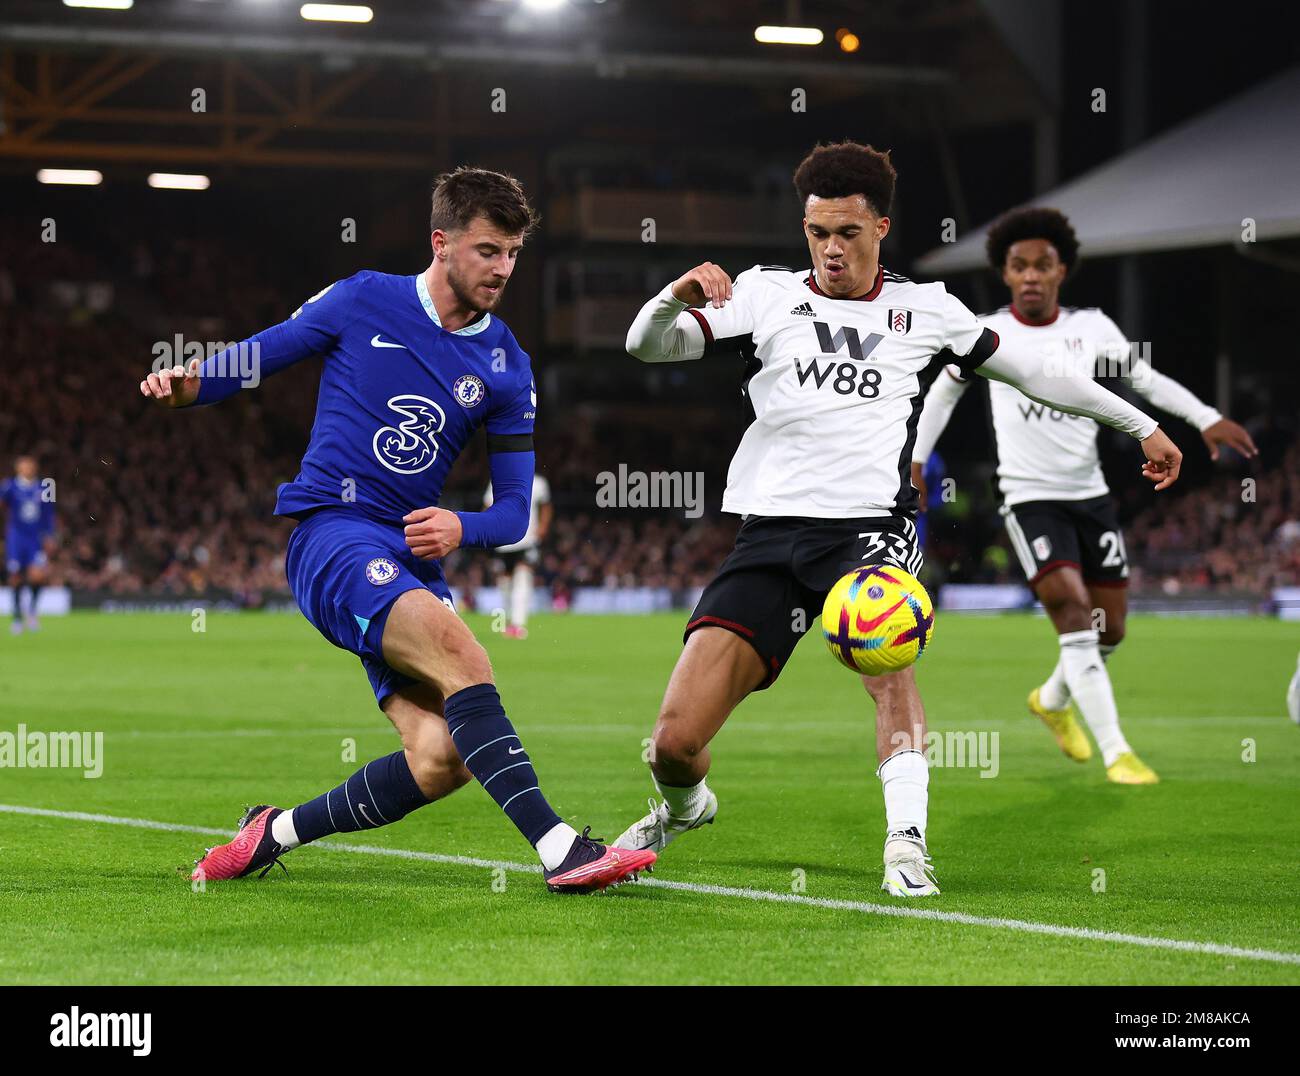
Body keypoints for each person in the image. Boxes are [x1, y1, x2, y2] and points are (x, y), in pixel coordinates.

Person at [615, 141, 1182, 896]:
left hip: (870, 532)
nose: (830, 250)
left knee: (888, 672)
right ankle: (687, 810)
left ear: (880, 227)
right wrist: (672, 297)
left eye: (847, 233)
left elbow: (1041, 369)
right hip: (768, 534)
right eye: (817, 232)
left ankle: (906, 842)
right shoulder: (765, 294)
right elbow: (647, 347)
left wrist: (1138, 424)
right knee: (672, 744)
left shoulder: (928, 310)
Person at [140, 167, 654, 893]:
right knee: (464, 654)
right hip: (333, 533)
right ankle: (561, 847)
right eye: (487, 250)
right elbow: (263, 355)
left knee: (440, 759)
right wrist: (190, 387)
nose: (503, 268)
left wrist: (461, 525)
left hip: (413, 556)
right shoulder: (363, 299)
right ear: (441, 243)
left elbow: (511, 513)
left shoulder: (508, 365)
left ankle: (273, 832)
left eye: (512, 253)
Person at [910, 206, 1257, 784]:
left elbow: (1142, 381)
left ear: (1061, 271)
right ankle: (1118, 752)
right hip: (1028, 499)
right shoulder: (986, 334)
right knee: (1073, 611)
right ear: (1005, 273)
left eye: (1042, 265)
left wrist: (1206, 418)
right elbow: (943, 394)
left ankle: (1051, 699)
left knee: (1110, 629)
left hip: (1090, 496)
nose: (1030, 276)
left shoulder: (1092, 328)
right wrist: (918, 460)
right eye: (1018, 266)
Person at [485, 473, 552, 638]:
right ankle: (509, 619)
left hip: (527, 540)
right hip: (503, 542)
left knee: (523, 577)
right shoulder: (498, 479)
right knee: (505, 583)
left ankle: (518, 623)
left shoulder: (539, 482)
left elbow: (546, 506)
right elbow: (487, 506)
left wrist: (543, 527)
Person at [1, 455, 56, 635]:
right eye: (24, 466)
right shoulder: (9, 486)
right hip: (16, 537)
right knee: (15, 576)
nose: (28, 469)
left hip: (36, 538)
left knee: (37, 576)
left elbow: (49, 513)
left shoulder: (46, 486)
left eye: (31, 466)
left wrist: (50, 535)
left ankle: (32, 612)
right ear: (18, 468)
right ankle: (17, 617)